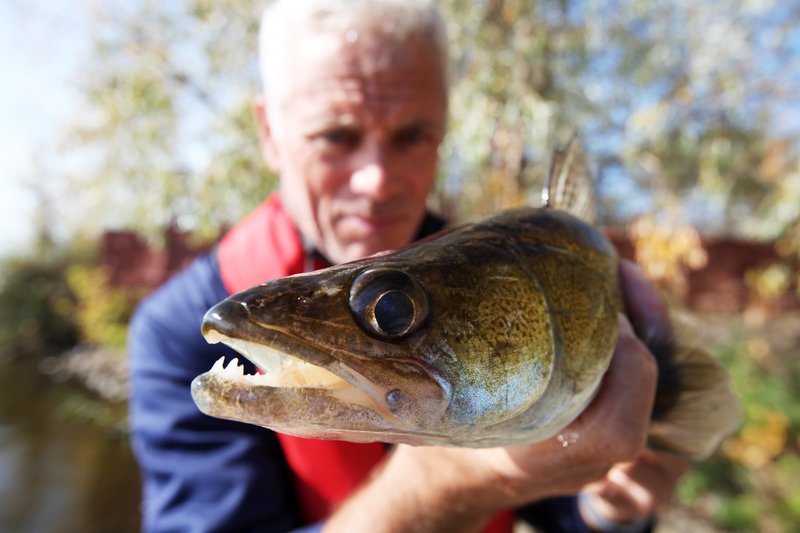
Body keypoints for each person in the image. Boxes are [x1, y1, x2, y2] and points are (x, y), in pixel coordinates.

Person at [128, 1, 689, 532]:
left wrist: (610, 508)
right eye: (336, 135)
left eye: (413, 136)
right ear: (269, 133)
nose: (377, 181)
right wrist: (447, 483)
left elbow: (564, 506)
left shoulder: (486, 275)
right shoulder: (176, 332)